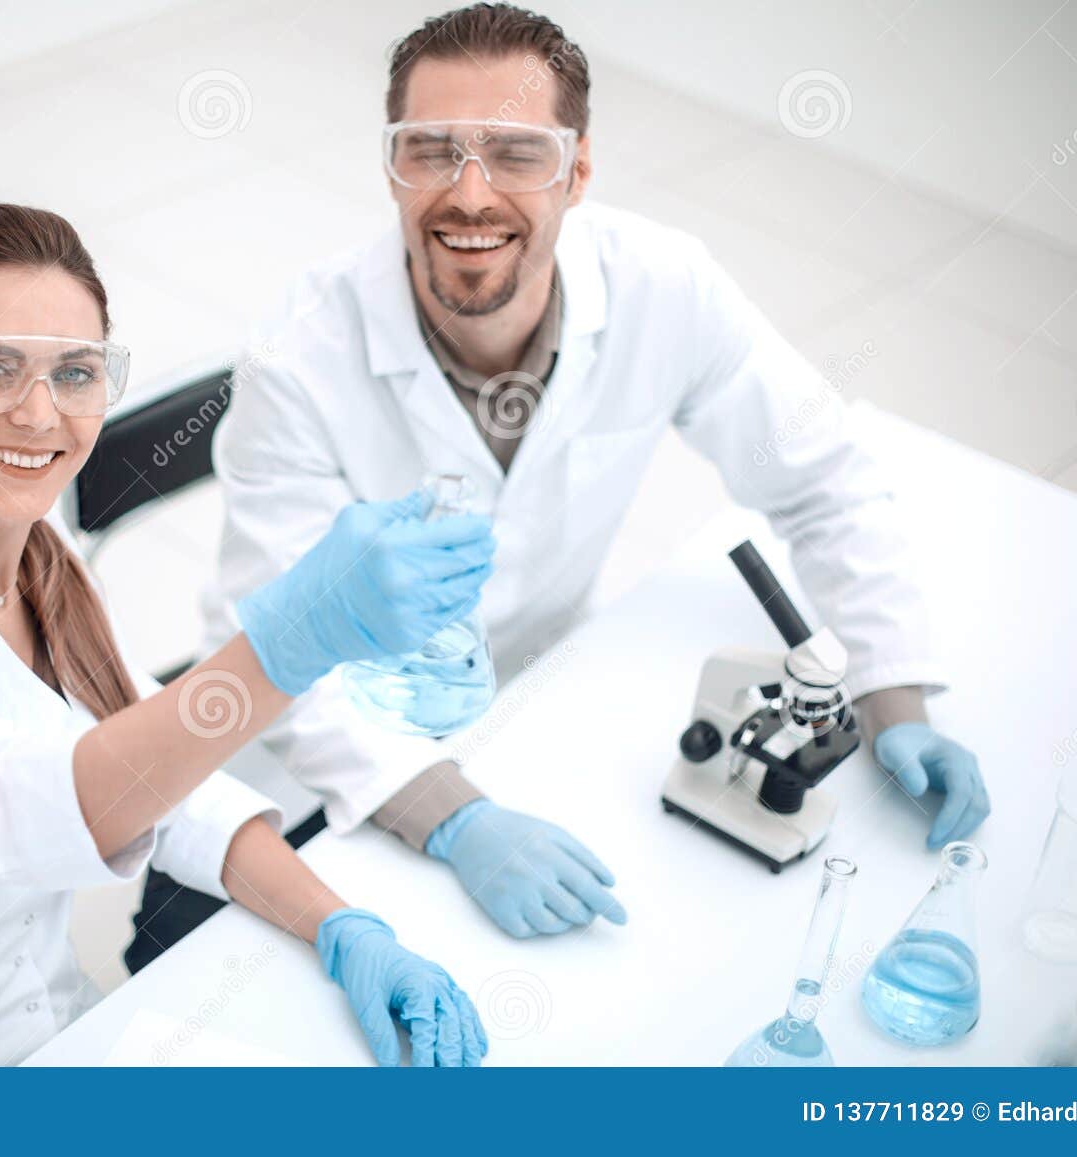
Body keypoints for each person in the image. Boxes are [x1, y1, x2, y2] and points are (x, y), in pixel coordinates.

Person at [127, 3, 989, 967]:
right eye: (432, 150)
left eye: (517, 153)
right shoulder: (301, 354)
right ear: (391, 168)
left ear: (578, 172)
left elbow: (821, 481)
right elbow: (267, 636)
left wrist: (893, 697)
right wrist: (451, 816)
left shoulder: (667, 287)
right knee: (212, 992)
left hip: (536, 702)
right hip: (308, 758)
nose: (469, 193)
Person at [0, 203, 495, 1067]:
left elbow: (162, 782)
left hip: (40, 1029)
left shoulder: (51, 570)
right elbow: (14, 805)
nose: (39, 414)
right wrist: (286, 645)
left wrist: (343, 924)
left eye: (76, 374)